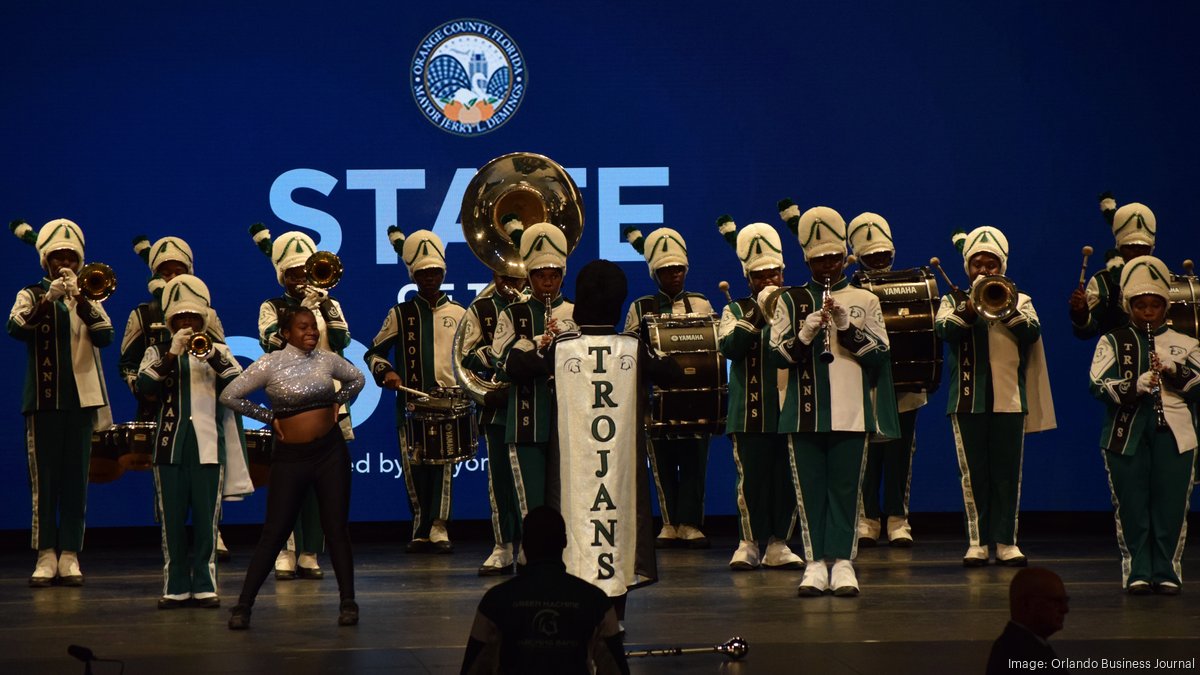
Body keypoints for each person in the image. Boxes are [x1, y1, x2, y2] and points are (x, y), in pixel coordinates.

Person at [768, 204, 899, 597]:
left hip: (851, 411)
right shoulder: (789, 301)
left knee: (846, 489)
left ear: (845, 256)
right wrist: (806, 334)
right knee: (808, 490)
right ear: (807, 260)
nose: (827, 266)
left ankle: (843, 561)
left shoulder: (865, 298)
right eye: (819, 260)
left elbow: (881, 355)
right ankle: (813, 563)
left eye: (834, 258)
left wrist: (847, 327)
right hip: (802, 414)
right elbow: (777, 356)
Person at [220, 306, 365, 629]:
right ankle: (243, 606)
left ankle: (348, 602)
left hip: (330, 453)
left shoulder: (327, 359)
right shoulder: (270, 364)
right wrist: (269, 417)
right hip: (291, 459)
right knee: (274, 533)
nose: (312, 332)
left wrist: (339, 400)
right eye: (303, 327)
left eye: (313, 327)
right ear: (286, 333)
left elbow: (357, 378)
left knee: (337, 529)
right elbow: (230, 395)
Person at [935, 226, 1055, 567]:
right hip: (967, 400)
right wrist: (971, 307)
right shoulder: (951, 301)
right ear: (967, 268)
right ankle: (977, 541)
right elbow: (945, 331)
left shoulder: (1020, 299)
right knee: (973, 475)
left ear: (1002, 267)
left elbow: (1031, 333)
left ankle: (1006, 541)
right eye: (977, 264)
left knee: (1006, 473)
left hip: (1009, 401)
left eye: (991, 265)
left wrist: (1006, 307)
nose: (984, 271)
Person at [8, 218, 113, 587]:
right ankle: (44, 553)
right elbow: (16, 329)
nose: (64, 263)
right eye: (57, 257)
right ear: (46, 262)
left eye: (70, 257)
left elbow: (105, 336)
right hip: (43, 400)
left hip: (81, 403)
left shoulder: (90, 295)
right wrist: (49, 298)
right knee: (45, 482)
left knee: (74, 482)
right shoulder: (30, 293)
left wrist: (81, 300)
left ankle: (70, 553)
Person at [137, 274, 250, 608]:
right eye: (180, 318)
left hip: (207, 448)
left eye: (193, 318)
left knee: (206, 521)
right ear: (170, 321)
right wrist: (171, 355)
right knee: (171, 521)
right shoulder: (156, 351)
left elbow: (238, 383)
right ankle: (174, 584)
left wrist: (212, 354)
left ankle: (205, 582)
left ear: (203, 319)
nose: (187, 323)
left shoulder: (220, 350)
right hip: (169, 448)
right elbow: (144, 388)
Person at [120, 235, 235, 561]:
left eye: (179, 269)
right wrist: (144, 391)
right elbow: (127, 364)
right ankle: (171, 535)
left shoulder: (206, 313)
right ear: (155, 273)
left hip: (201, 401)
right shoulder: (143, 314)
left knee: (208, 466)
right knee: (169, 476)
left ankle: (213, 531)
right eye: (165, 270)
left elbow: (223, 357)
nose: (172, 276)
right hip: (159, 405)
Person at [249, 224, 353, 579]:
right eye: (292, 273)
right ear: (282, 275)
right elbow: (269, 344)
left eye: (304, 271)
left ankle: (311, 551)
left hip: (325, 402)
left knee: (322, 480)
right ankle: (285, 549)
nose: (299, 278)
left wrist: (324, 309)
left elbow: (340, 340)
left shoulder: (329, 303)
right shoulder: (272, 306)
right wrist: (298, 316)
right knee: (288, 481)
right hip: (291, 403)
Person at [1089, 256, 1198, 595]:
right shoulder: (1112, 339)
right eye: (1141, 305)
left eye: (1155, 305)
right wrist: (1132, 386)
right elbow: (1096, 383)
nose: (1148, 312)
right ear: (1129, 306)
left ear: (1165, 305)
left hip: (1175, 432)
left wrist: (1175, 371)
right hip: (1127, 432)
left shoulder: (1187, 342)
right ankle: (1137, 568)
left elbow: (1198, 383)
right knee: (1132, 503)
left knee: (1170, 503)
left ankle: (1166, 569)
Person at [365, 227, 465, 552]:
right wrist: (387, 371)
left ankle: (439, 526)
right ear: (414, 276)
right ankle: (420, 527)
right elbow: (374, 352)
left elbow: (472, 357)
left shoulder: (461, 314)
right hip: (411, 405)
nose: (430, 278)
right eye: (423, 273)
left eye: (435, 271)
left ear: (443, 272)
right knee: (416, 468)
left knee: (443, 467)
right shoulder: (401, 314)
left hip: (448, 404)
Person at [715, 217, 803, 570]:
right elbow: (731, 347)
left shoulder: (797, 303)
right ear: (748, 279)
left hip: (791, 409)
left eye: (773, 274)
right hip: (749, 411)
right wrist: (757, 313)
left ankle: (780, 542)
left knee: (786, 480)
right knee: (751, 480)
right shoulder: (733, 309)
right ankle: (748, 542)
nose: (768, 281)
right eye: (759, 276)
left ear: (783, 272)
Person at [621, 225, 715, 549]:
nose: (673, 275)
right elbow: (628, 350)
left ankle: (691, 522)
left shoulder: (702, 304)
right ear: (654, 273)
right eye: (665, 270)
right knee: (661, 461)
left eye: (678, 269)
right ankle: (669, 522)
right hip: (655, 399)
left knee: (694, 459)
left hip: (696, 398)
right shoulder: (640, 307)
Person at [460, 506, 629, 675]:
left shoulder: (495, 601)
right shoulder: (596, 601)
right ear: (565, 542)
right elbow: (615, 669)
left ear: (524, 545)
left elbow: (474, 669)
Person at [847, 212, 930, 547]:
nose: (879, 261)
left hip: (904, 384)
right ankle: (867, 518)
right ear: (858, 258)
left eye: (883, 255)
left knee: (899, 455)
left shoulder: (912, 285)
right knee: (867, 455)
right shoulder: (849, 289)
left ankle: (897, 518)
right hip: (863, 384)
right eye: (871, 256)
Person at [491, 221, 576, 519]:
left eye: (554, 276)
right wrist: (535, 344)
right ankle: (532, 553)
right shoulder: (512, 313)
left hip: (569, 421)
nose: (548, 283)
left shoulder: (576, 313)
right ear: (529, 277)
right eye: (541, 276)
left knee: (568, 497)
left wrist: (563, 341)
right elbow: (502, 364)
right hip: (526, 419)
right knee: (532, 498)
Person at [457, 258, 528, 575]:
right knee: (500, 480)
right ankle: (503, 547)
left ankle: (531, 547)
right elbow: (464, 355)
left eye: (518, 277)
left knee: (532, 482)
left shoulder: (538, 306)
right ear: (493, 275)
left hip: (534, 404)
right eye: (503, 276)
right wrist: (490, 355)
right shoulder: (482, 308)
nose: (510, 283)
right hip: (497, 405)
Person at [1068, 195, 1156, 339]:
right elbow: (1086, 332)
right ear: (1119, 248)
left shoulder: (1165, 281)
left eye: (1142, 247)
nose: (1137, 253)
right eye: (1130, 247)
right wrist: (1081, 313)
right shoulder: (1103, 282)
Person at [985, 567, 1071, 674]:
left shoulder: (1014, 647)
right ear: (1027, 604)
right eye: (1055, 602)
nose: (1065, 609)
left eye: (1065, 601)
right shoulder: (1022, 655)